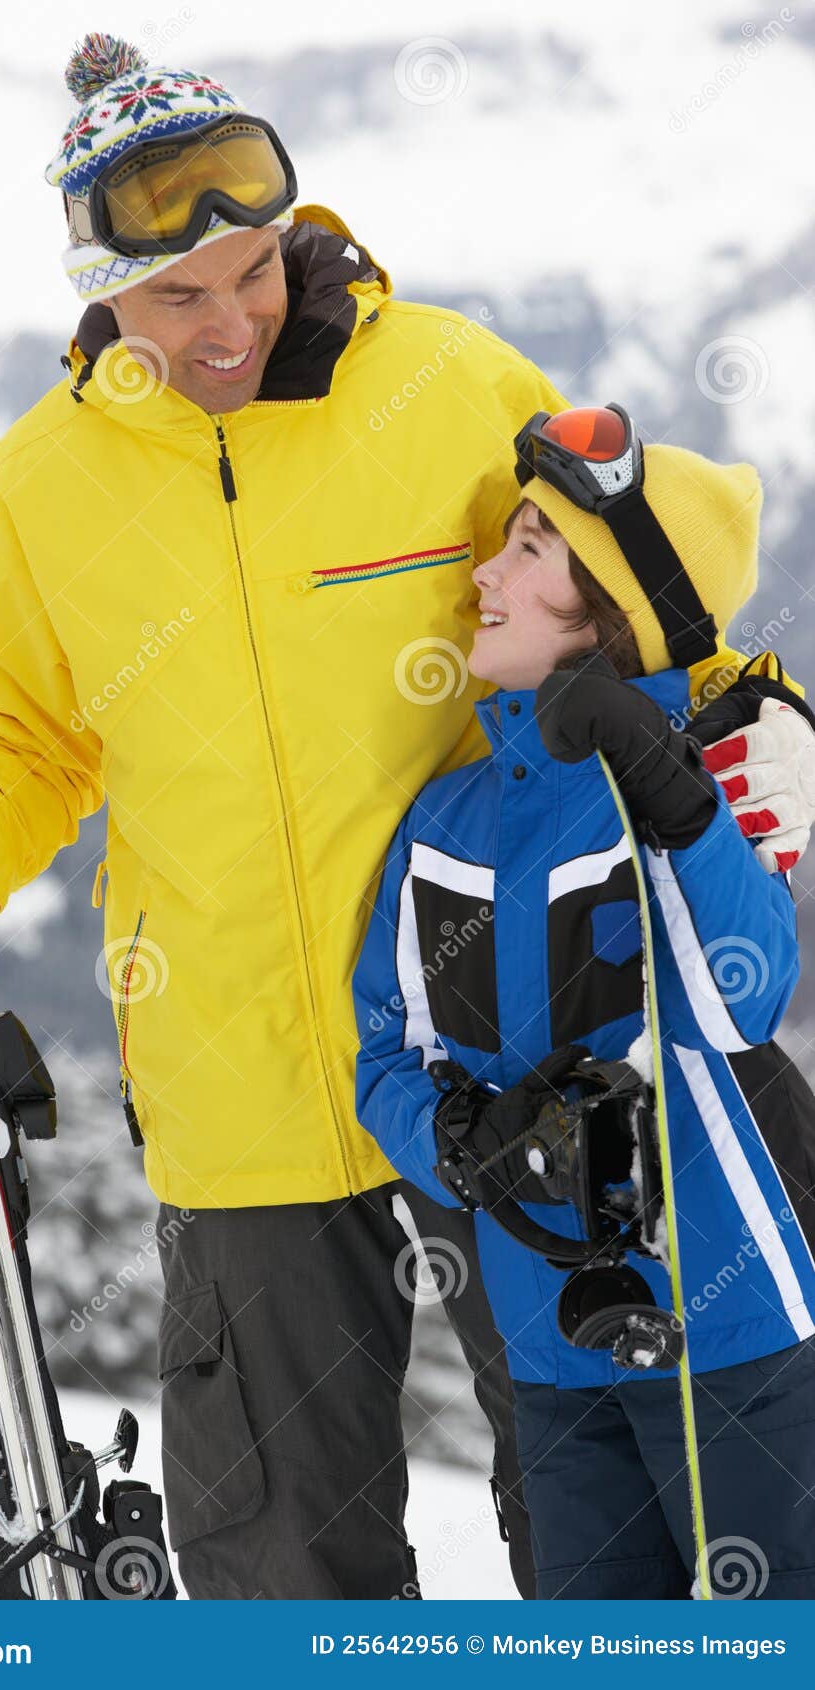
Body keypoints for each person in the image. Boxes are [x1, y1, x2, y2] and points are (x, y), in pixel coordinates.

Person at [0, 36, 815, 1599]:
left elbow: (621, 588)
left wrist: (759, 708)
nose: (227, 322)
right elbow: (27, 740)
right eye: (177, 296)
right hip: (237, 1095)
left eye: (250, 271)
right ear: (98, 289)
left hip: (521, 1072)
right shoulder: (31, 490)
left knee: (600, 1544)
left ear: (291, 230)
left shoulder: (450, 388)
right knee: (281, 1566)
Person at [352, 404, 815, 1598]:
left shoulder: (707, 774)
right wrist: (459, 1139)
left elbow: (740, 999)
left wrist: (674, 796)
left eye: (526, 549)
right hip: (549, 1344)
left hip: (737, 1330)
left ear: (607, 609)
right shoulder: (442, 824)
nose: (482, 572)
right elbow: (387, 1050)